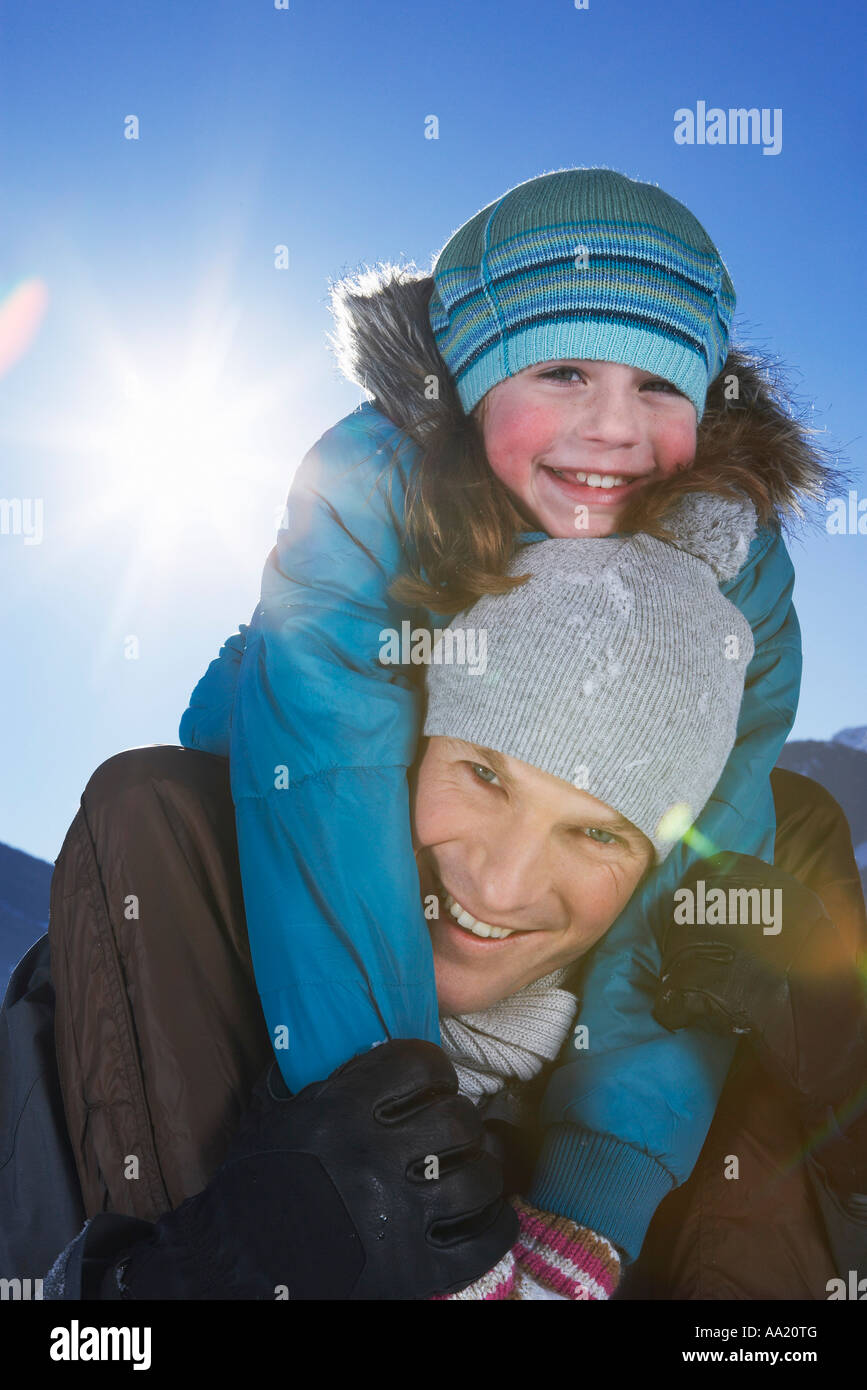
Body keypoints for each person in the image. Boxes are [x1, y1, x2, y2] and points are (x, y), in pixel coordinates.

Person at [178, 165, 841, 1266]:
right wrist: (399, 1154)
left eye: (659, 387)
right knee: (180, 800)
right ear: (476, 379)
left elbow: (693, 850)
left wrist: (595, 1196)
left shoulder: (738, 569)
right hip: (311, 774)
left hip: (530, 940)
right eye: (565, 370)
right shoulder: (370, 494)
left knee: (783, 835)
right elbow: (326, 781)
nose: (613, 430)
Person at [3, 492, 864, 1298]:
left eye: (598, 833)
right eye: (484, 775)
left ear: (656, 867)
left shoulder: (721, 1030)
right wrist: (198, 1270)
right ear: (406, 745)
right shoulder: (147, 927)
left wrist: (849, 1110)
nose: (500, 883)